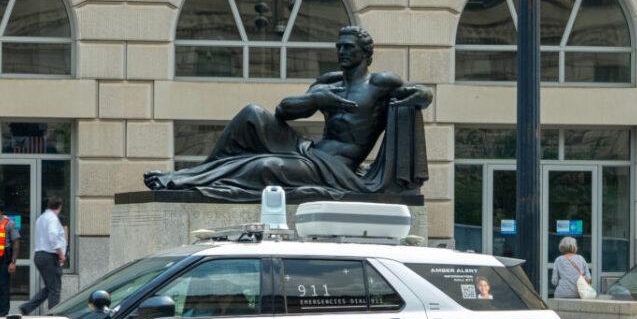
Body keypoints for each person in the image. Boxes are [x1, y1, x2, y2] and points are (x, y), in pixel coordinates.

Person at [141, 25, 433, 201]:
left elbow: (424, 95)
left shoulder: (380, 83)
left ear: (364, 52)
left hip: (336, 168)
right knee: (252, 113)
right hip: (310, 151)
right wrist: (317, 99)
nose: (341, 52)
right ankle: (191, 176)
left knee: (265, 166)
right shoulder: (328, 82)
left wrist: (412, 97)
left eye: (348, 47)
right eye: (339, 47)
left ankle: (183, 182)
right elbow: (284, 111)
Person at [19, 195, 67, 316]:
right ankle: (53, 315)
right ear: (59, 207)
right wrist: (61, 254)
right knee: (55, 289)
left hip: (40, 255)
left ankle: (27, 307)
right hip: (50, 256)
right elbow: (52, 236)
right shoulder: (52, 219)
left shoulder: (41, 218)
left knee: (50, 287)